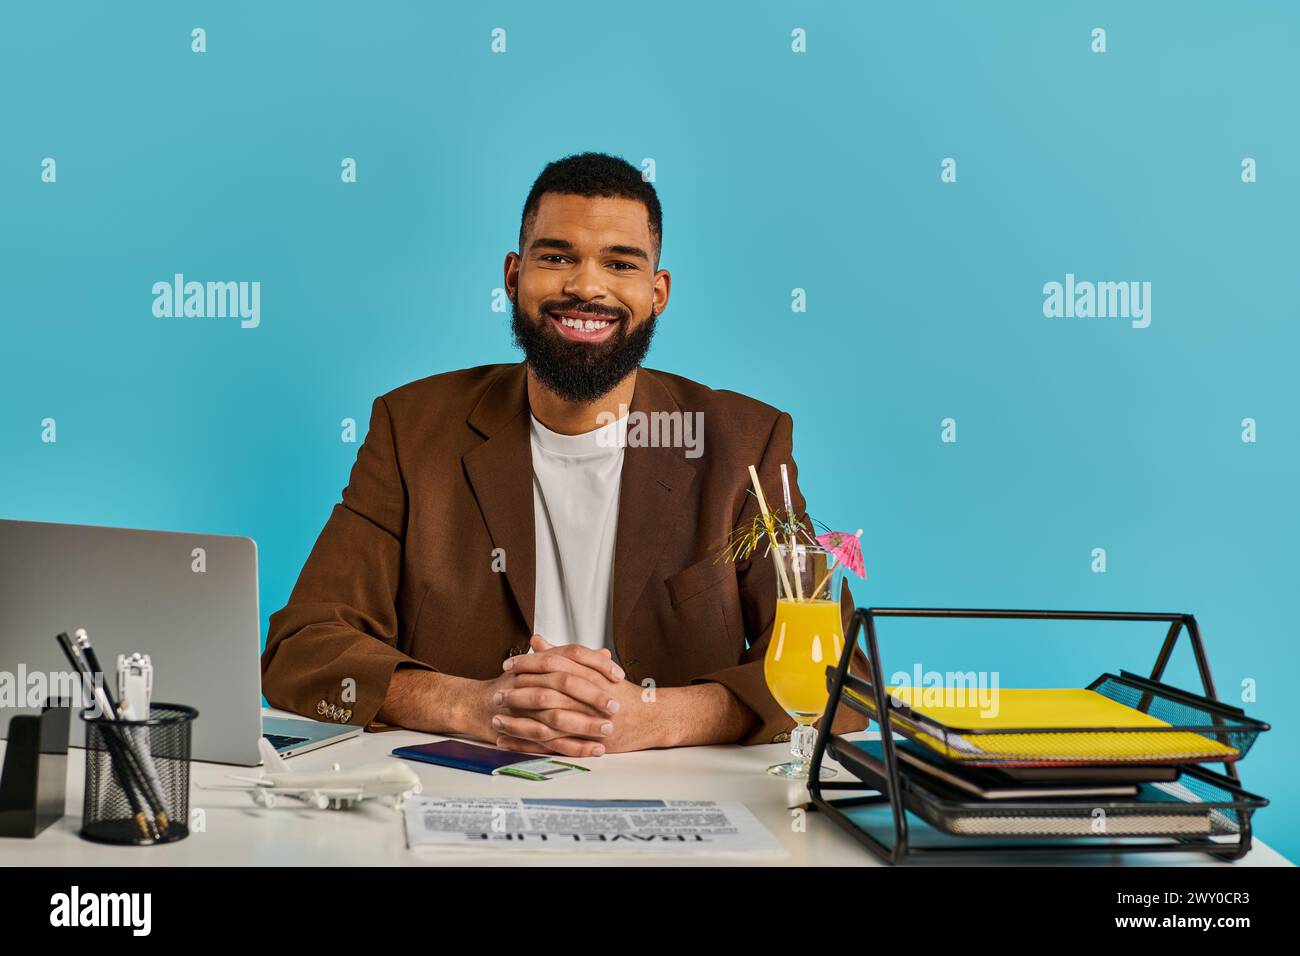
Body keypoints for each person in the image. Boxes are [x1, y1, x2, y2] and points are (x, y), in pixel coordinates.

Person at [261, 152, 869, 756]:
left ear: (657, 292)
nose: (586, 286)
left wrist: (658, 716)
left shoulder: (743, 444)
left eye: (620, 263)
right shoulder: (412, 428)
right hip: (458, 804)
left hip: (679, 815)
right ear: (512, 276)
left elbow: (846, 683)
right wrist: (473, 705)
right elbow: (302, 653)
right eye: (556, 257)